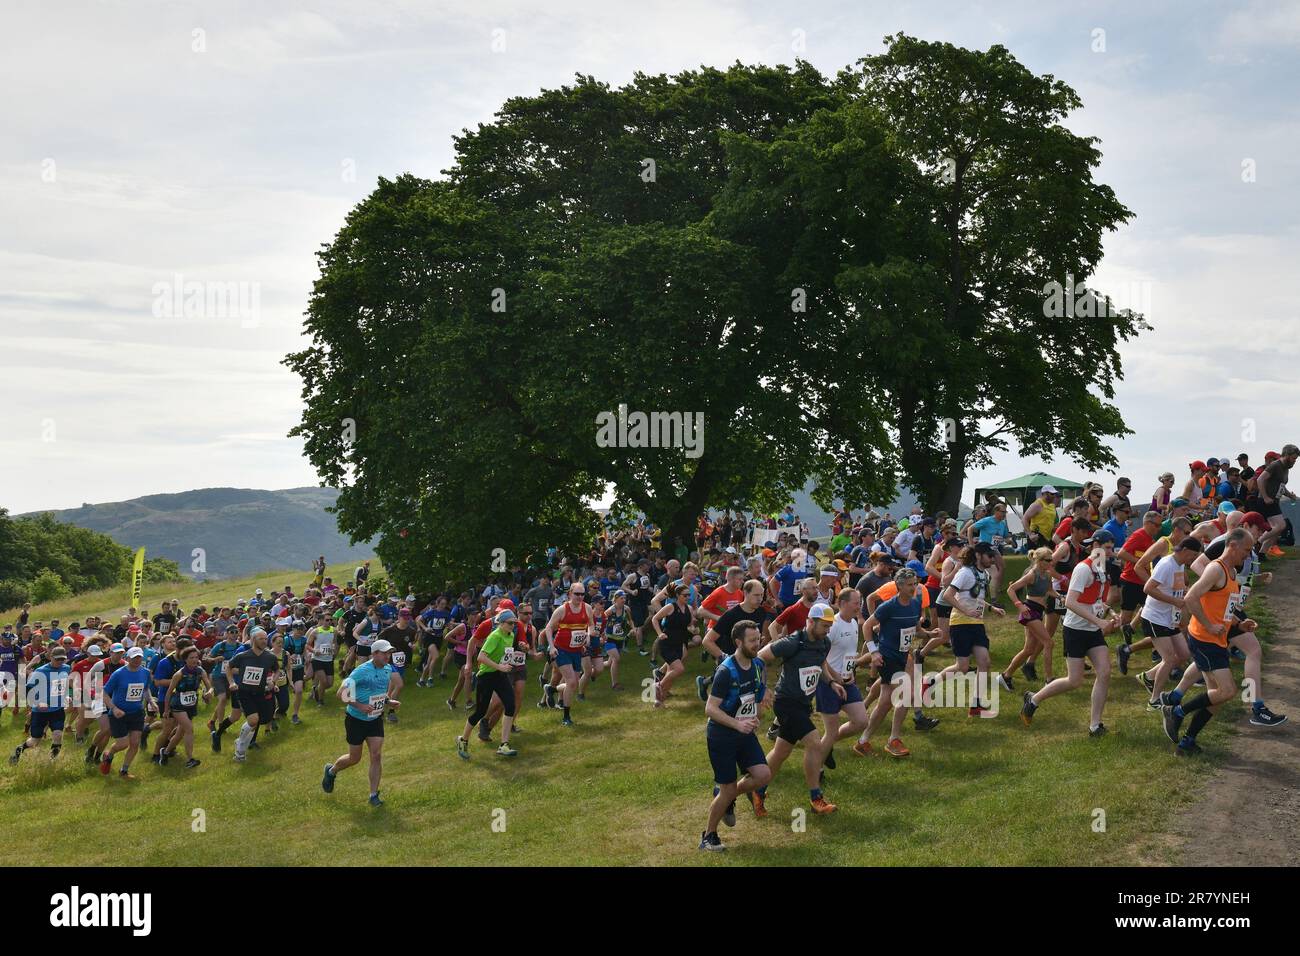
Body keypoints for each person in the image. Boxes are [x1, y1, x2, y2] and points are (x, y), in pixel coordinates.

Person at [1161, 529, 1258, 754]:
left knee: (1216, 698)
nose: (1249, 554)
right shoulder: (1216, 569)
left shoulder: (1231, 572)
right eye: (1246, 549)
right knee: (1228, 691)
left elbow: (1225, 606)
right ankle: (1176, 712)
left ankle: (1187, 742)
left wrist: (1238, 623)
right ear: (1232, 545)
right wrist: (1208, 625)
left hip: (1218, 639)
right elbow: (1191, 597)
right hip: (1205, 639)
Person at [1021, 531, 1121, 736]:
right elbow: (1070, 602)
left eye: (1113, 547)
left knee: (1105, 672)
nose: (1111, 552)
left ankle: (1095, 725)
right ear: (1095, 545)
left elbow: (1096, 600)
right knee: (1074, 681)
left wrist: (1111, 612)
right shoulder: (1083, 569)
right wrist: (1100, 621)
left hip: (1093, 630)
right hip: (1075, 630)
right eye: (1108, 548)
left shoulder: (1102, 569)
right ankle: (1033, 699)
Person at [755, 602, 841, 816]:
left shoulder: (824, 642)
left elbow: (820, 664)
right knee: (814, 743)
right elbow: (760, 657)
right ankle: (816, 798)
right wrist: (763, 688)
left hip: (803, 704)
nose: (827, 630)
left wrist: (831, 682)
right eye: (824, 626)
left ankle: (757, 789)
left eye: (830, 626)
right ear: (810, 622)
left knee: (781, 752)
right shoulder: (792, 642)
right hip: (786, 702)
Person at [700, 620, 771, 850]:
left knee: (763, 774)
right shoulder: (726, 671)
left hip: (744, 732)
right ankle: (708, 837)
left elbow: (756, 696)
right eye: (752, 641)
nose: (757, 644)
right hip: (722, 734)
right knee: (728, 788)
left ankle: (726, 797)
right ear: (738, 642)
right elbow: (710, 708)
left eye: (758, 639)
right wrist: (737, 724)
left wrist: (757, 714)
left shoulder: (759, 665)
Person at [855, 568, 936, 757]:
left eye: (915, 583)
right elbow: (867, 626)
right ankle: (889, 740)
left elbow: (915, 630)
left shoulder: (916, 604)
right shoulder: (889, 606)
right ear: (899, 586)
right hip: (887, 655)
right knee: (897, 696)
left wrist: (929, 634)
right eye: (909, 585)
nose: (914, 587)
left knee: (887, 701)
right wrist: (873, 652)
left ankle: (869, 740)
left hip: (903, 655)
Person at [322, 639, 399, 805]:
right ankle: (332, 770)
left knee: (376, 755)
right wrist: (360, 706)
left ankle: (373, 795)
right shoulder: (360, 671)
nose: (388, 656)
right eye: (385, 653)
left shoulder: (387, 669)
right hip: (355, 720)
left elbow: (378, 692)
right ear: (375, 654)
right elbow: (341, 693)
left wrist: (388, 701)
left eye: (389, 652)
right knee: (354, 758)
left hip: (375, 719)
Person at [936, 543, 1005, 714]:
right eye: (990, 556)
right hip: (960, 624)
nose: (992, 559)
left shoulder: (983, 575)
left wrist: (991, 608)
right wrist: (966, 610)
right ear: (979, 556)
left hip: (976, 624)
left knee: (985, 662)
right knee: (962, 667)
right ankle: (928, 683)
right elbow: (947, 595)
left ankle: (976, 704)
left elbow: (975, 597)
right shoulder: (965, 572)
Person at [1135, 538, 1200, 709]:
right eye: (1192, 555)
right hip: (1155, 618)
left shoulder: (1179, 564)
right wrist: (1173, 600)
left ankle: (1148, 676)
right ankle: (1154, 700)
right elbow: (1148, 588)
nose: (1192, 559)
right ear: (1184, 550)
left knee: (1184, 654)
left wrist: (1184, 593)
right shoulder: (1166, 564)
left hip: (1169, 618)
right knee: (1169, 659)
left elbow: (1174, 586)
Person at [456, 610, 520, 759]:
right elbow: (481, 657)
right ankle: (463, 740)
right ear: (502, 623)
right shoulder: (495, 636)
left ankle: (504, 744)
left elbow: (504, 654)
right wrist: (500, 666)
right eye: (510, 623)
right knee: (480, 711)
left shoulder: (510, 635)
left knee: (510, 705)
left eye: (514, 623)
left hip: (500, 675)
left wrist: (507, 662)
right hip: (486, 677)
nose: (513, 626)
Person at [1000, 547, 1056, 688]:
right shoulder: (1032, 574)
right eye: (1048, 560)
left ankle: (1005, 676)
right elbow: (1011, 589)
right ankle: (1049, 680)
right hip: (1029, 611)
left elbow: (1049, 590)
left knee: (1029, 650)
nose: (1051, 562)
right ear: (1039, 560)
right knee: (1048, 643)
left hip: (1039, 611)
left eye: (1052, 560)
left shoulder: (1047, 574)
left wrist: (1061, 596)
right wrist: (1019, 605)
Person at [540, 583, 594, 725]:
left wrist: (588, 635)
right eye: (577, 594)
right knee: (571, 681)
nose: (580, 597)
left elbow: (591, 625)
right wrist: (551, 647)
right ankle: (566, 717)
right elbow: (548, 628)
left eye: (582, 594)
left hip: (577, 650)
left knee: (573, 684)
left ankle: (551, 689)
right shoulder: (562, 610)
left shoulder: (587, 608)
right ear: (570, 593)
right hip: (561, 649)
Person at [99, 647, 154, 778]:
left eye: (140, 657)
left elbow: (145, 689)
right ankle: (109, 754)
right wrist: (114, 708)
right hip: (119, 713)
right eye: (134, 657)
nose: (137, 660)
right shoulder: (119, 673)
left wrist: (151, 702)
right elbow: (104, 693)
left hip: (137, 712)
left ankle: (124, 771)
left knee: (135, 743)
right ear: (127, 658)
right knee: (123, 744)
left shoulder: (145, 673)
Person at [10, 645, 71, 764]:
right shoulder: (40, 671)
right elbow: (26, 690)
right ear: (51, 657)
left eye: (62, 659)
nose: (60, 662)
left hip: (57, 709)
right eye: (57, 659)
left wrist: (67, 696)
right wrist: (37, 704)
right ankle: (19, 750)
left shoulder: (66, 668)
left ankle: (51, 761)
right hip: (40, 711)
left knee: (58, 735)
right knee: (34, 741)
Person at [228, 628, 279, 762]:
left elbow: (277, 670)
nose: (264, 641)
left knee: (262, 720)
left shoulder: (270, 657)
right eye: (261, 638)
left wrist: (273, 681)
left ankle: (240, 742)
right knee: (253, 720)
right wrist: (231, 682)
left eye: (265, 638)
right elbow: (228, 666)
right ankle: (240, 750)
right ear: (253, 640)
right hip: (245, 693)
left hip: (262, 693)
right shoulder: (243, 656)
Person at [160, 646, 213, 768]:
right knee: (189, 729)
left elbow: (209, 686)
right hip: (178, 704)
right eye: (191, 658)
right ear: (185, 659)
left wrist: (209, 692)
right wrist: (166, 710)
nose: (195, 660)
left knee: (179, 734)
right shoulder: (179, 674)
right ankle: (190, 759)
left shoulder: (200, 671)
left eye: (196, 657)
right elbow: (168, 693)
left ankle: (165, 752)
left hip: (191, 705)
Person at [650, 582, 696, 707]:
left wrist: (692, 628)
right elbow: (655, 619)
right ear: (677, 595)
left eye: (688, 595)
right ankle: (658, 685)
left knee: (671, 674)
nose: (687, 597)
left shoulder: (689, 609)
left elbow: (690, 624)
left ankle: (659, 701)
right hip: (667, 643)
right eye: (685, 595)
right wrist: (659, 633)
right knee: (679, 669)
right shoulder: (670, 607)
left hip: (679, 643)